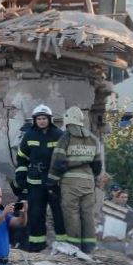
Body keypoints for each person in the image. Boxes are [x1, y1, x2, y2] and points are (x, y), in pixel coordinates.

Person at [47, 106, 103, 253]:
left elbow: (58, 163)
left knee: (71, 214)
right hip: (88, 183)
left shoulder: (66, 137)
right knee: (87, 214)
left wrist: (51, 183)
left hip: (70, 183)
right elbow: (97, 166)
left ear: (68, 121)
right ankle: (89, 248)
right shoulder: (93, 139)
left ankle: (74, 248)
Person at [15, 104, 66, 251]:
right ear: (35, 120)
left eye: (44, 118)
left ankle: (63, 246)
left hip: (54, 182)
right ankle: (37, 245)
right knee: (36, 214)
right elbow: (22, 158)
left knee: (59, 214)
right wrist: (21, 177)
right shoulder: (29, 136)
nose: (42, 121)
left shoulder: (59, 135)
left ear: (49, 119)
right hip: (35, 182)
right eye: (39, 119)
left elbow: (65, 158)